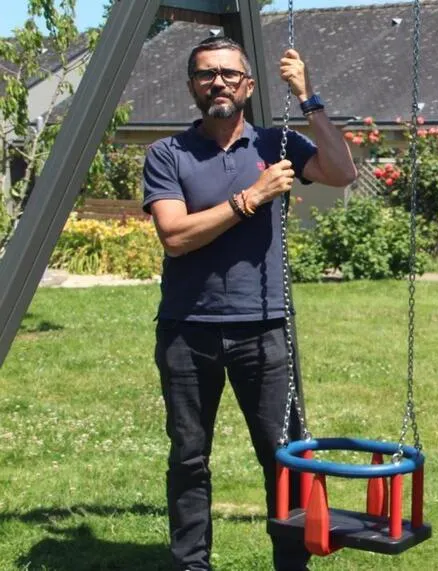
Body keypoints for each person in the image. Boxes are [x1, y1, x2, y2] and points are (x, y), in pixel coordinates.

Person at [142, 35, 356, 571]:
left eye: (229, 74)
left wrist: (308, 97)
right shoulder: (168, 154)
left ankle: (291, 565)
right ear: (192, 86)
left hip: (264, 327)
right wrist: (252, 197)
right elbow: (175, 236)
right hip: (187, 330)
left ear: (249, 86)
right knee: (189, 458)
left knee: (284, 458)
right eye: (206, 74)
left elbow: (342, 172)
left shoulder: (276, 143)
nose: (218, 83)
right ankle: (192, 565)